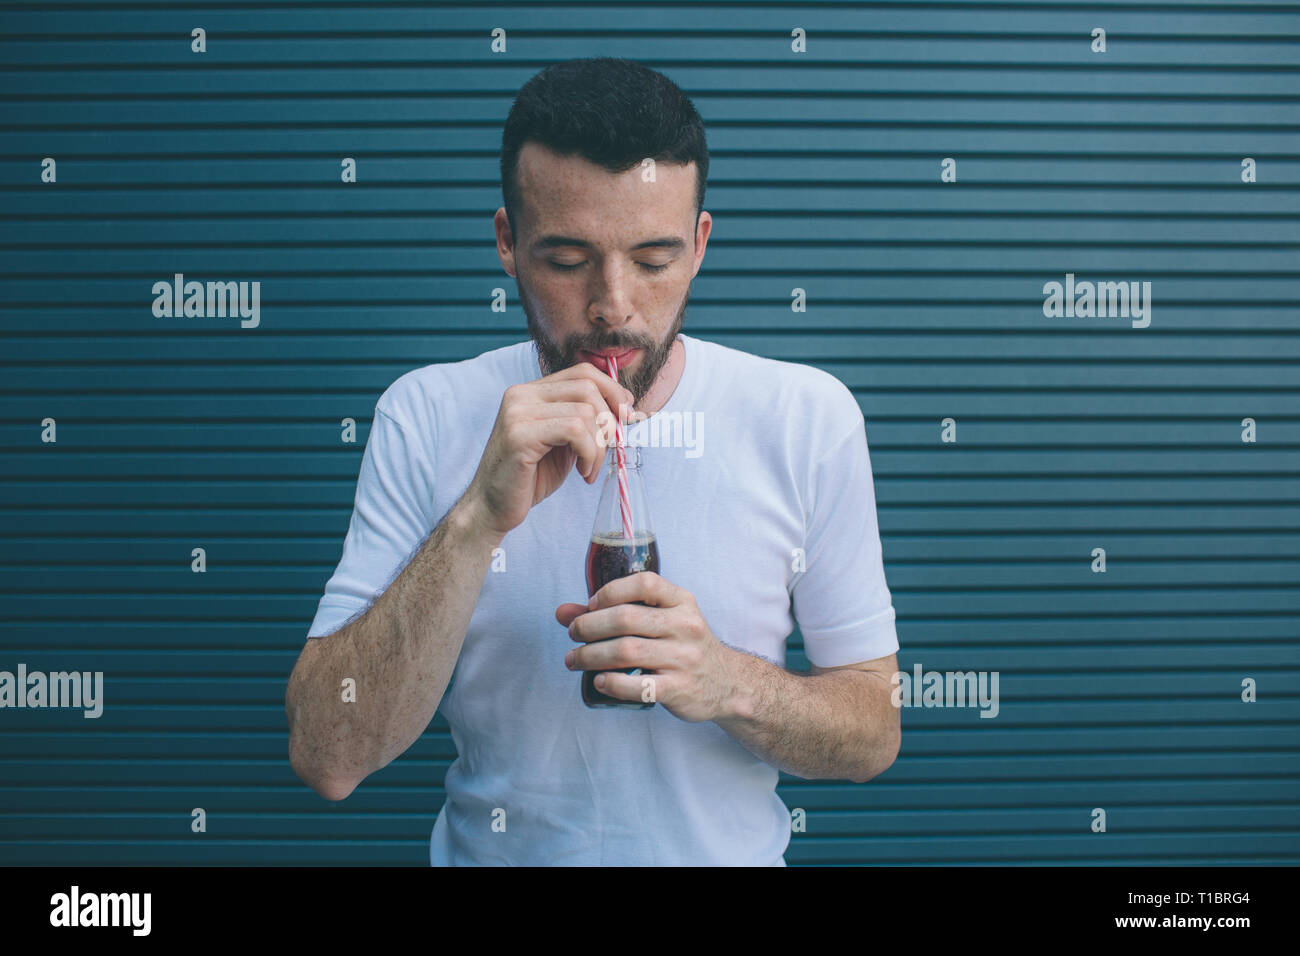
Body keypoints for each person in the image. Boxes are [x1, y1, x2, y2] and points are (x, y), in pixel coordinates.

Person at [285, 56, 900, 866]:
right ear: (508, 243)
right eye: (568, 260)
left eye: (653, 260)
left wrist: (726, 682)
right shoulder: (426, 415)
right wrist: (474, 521)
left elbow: (872, 731)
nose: (614, 304)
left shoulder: (806, 418)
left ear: (700, 245)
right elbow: (328, 755)